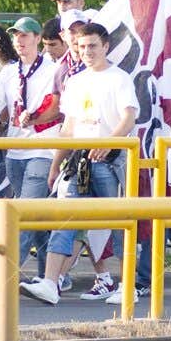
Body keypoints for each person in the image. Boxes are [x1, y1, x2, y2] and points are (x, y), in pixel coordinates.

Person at [23, 22, 136, 305]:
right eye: (82, 46)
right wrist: (55, 164)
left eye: (92, 46)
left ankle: (128, 285)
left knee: (121, 222)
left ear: (106, 46)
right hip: (78, 159)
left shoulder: (120, 78)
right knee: (66, 219)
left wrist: (108, 142)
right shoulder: (75, 81)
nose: (87, 51)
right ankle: (50, 282)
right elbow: (69, 127)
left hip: (111, 158)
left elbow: (129, 118)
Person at [0, 16, 59, 279]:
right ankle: (48, 278)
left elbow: (59, 108)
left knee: (23, 211)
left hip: (43, 148)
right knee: (35, 215)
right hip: (15, 150)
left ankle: (6, 269)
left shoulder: (53, 70)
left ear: (38, 39)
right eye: (16, 35)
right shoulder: (9, 72)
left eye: (26, 35)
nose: (20, 40)